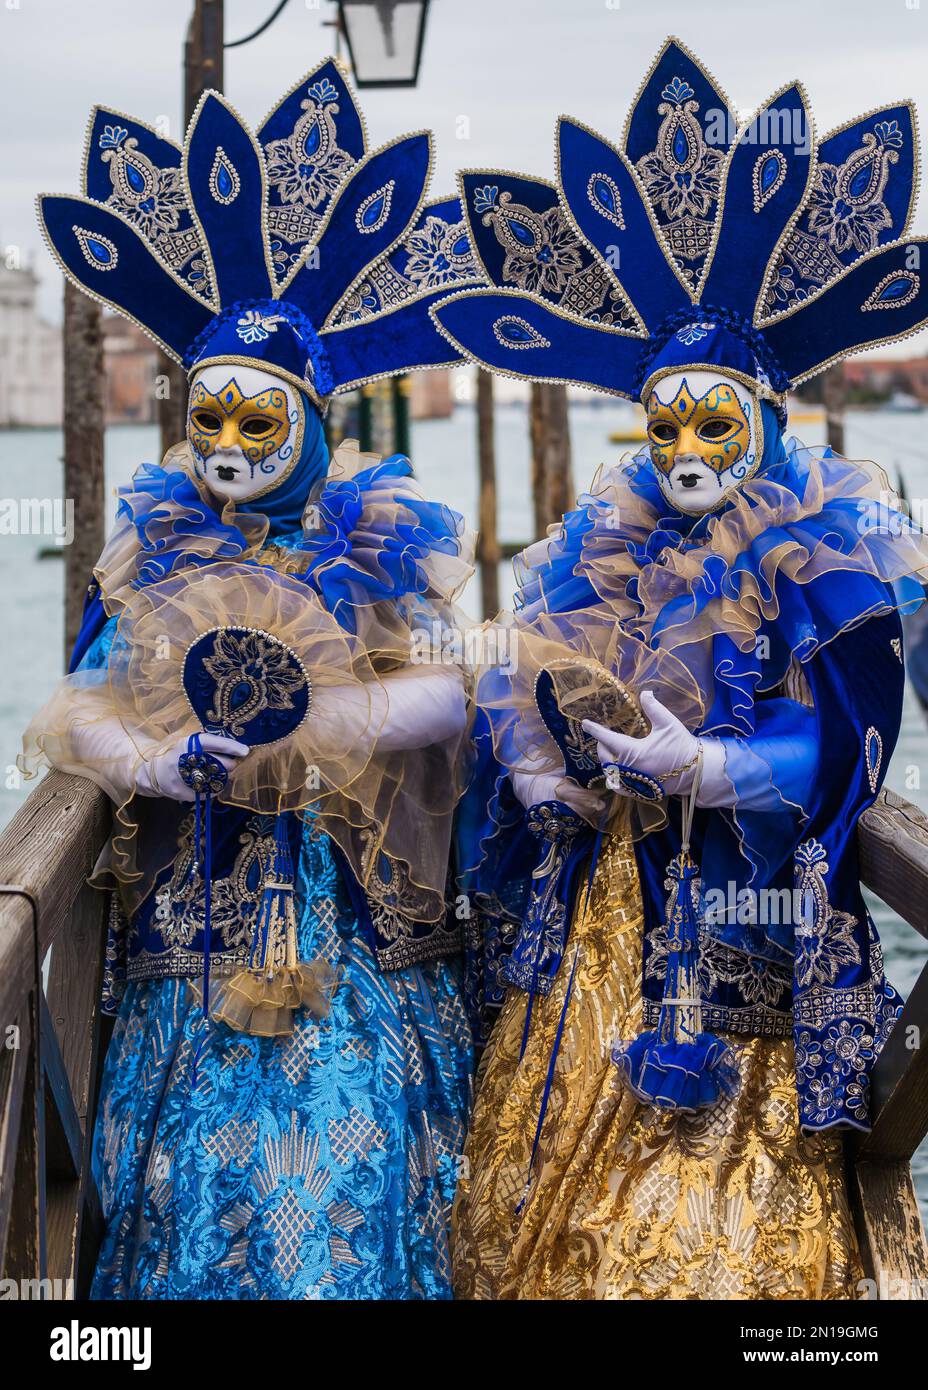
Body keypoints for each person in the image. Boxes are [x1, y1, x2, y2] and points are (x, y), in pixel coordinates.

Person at [432, 37, 928, 1299]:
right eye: (664, 422)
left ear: (764, 418)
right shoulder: (598, 545)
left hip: (748, 922)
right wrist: (540, 762)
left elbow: (851, 740)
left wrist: (714, 762)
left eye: (715, 420)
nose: (686, 446)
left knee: (714, 1235)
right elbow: (513, 668)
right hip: (605, 903)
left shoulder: (821, 543)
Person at [23, 58, 483, 1300]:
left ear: (314, 425)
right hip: (195, 896)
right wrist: (158, 758)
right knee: (180, 1177)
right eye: (210, 417)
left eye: (257, 422)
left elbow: (459, 686)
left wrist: (324, 720)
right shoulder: (149, 541)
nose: (226, 446)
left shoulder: (386, 537)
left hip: (352, 902)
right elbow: (80, 703)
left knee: (365, 1167)